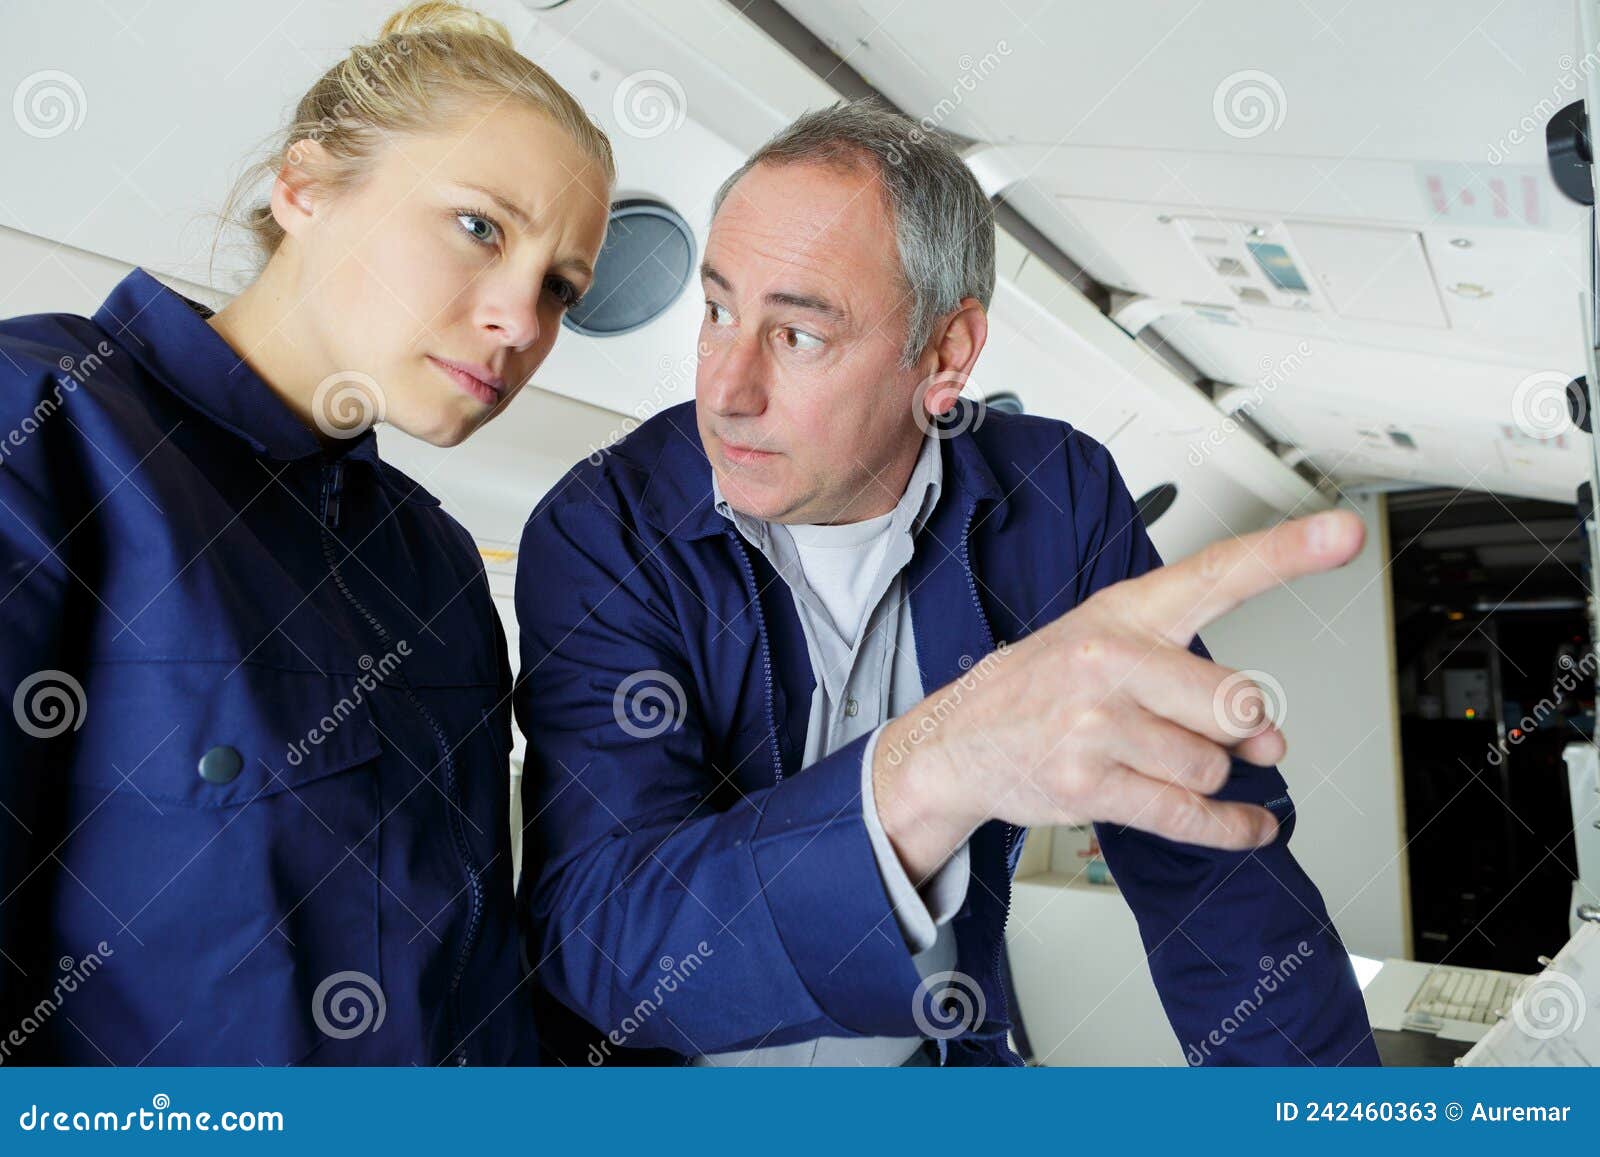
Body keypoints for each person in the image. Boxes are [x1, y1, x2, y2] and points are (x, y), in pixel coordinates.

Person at [514, 100, 1381, 1067]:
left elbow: (1211, 867)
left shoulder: (1059, 497)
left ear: (945, 356)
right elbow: (600, 938)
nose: (725, 388)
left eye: (798, 336)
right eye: (718, 311)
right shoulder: (605, 525)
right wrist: (939, 765)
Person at [0, 1, 611, 1064]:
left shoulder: (436, 563)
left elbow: (474, 974)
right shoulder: (50, 419)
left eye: (560, 286)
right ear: (305, 187)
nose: (521, 319)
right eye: (479, 226)